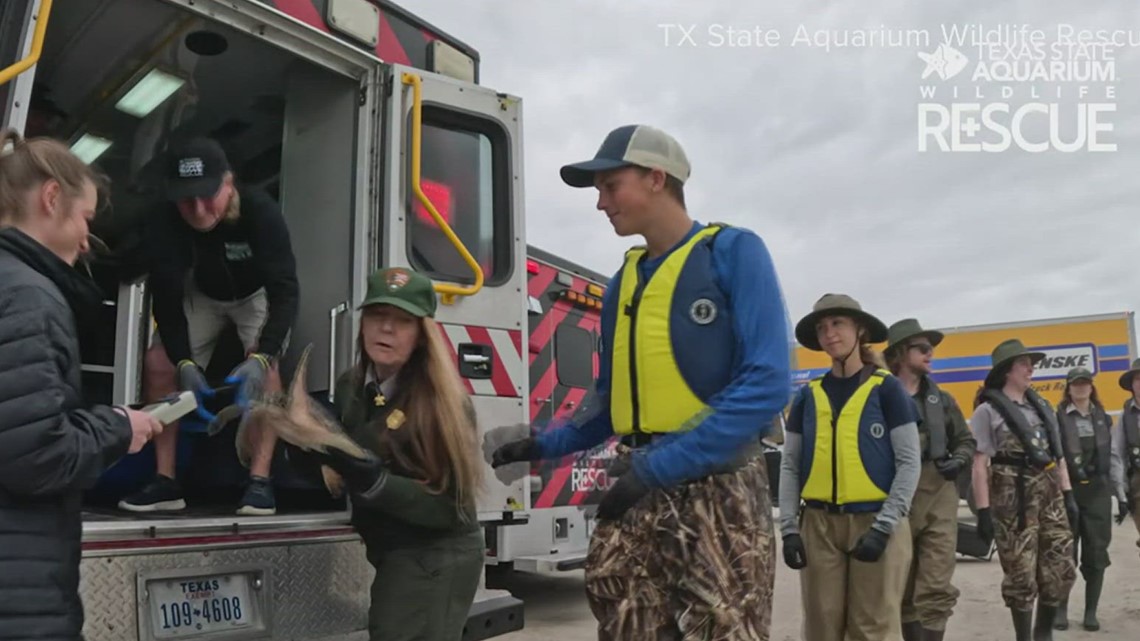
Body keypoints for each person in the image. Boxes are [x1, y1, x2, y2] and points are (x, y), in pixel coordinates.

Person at [489, 124, 791, 639]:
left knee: (725, 628)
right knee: (626, 622)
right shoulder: (622, 284)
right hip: (638, 485)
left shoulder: (734, 252)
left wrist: (660, 467)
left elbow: (767, 383)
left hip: (718, 493)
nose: (601, 203)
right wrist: (540, 444)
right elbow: (611, 407)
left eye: (611, 186)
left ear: (657, 178)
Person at [0, 129, 161, 638]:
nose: (88, 239)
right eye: (86, 218)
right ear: (52, 198)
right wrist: (118, 426)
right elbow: (36, 458)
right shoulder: (28, 297)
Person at [282, 266, 485, 641]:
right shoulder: (351, 385)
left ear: (421, 336)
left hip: (436, 555)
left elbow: (449, 508)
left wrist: (375, 481)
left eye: (402, 321)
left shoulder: (444, 405)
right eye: (377, 316)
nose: (386, 329)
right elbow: (345, 461)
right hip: (391, 548)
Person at [118, 136, 299, 516]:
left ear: (228, 183)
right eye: (186, 199)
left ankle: (260, 481)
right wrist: (184, 363)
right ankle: (166, 481)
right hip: (203, 292)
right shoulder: (164, 220)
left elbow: (285, 291)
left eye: (207, 195)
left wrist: (263, 357)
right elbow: (166, 298)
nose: (198, 210)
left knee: (268, 372)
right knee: (159, 362)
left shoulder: (260, 212)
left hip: (255, 295)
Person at [778, 294, 921, 641]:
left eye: (837, 323)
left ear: (859, 329)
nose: (829, 334)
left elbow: (908, 462)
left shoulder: (886, 390)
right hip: (819, 525)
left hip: (876, 521)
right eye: (822, 327)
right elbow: (790, 465)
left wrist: (885, 525)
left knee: (872, 628)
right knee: (820, 627)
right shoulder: (808, 396)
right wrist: (789, 529)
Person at [969, 339, 1077, 641]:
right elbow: (980, 464)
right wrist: (984, 511)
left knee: (1059, 566)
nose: (1031, 369)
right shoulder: (987, 412)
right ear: (1007, 371)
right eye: (1023, 364)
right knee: (1020, 572)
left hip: (1050, 495)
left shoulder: (1041, 407)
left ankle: (1044, 634)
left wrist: (1068, 496)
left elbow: (1057, 455)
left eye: (1031, 364)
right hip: (1012, 500)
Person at [884, 318, 976, 641]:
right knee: (903, 588)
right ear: (899, 353)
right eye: (922, 348)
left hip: (938, 491)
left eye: (931, 348)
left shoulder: (944, 401)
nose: (930, 353)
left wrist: (960, 460)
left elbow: (966, 440)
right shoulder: (877, 398)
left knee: (936, 585)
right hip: (895, 496)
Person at [1052, 367, 1118, 631]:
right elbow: (1054, 457)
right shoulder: (1057, 419)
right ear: (1068, 388)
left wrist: (1120, 494)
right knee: (1064, 551)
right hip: (1068, 490)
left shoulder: (1103, 417)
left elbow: (1113, 456)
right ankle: (1060, 610)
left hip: (1098, 493)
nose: (1080, 388)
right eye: (1075, 384)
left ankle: (1091, 611)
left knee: (1096, 551)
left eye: (1085, 384)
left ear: (1092, 387)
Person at [1113, 360, 1140, 551]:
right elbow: (1119, 454)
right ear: (1132, 384)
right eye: (1138, 379)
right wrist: (1122, 492)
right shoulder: (1125, 416)